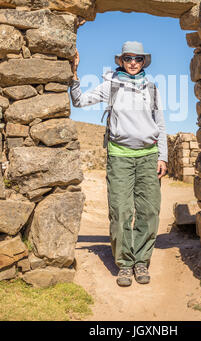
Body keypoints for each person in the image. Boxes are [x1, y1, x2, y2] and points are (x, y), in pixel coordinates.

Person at [70, 41, 168, 287]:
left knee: (149, 212)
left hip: (148, 156)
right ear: (121, 61)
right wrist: (73, 76)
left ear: (144, 61)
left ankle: (141, 260)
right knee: (121, 211)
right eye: (128, 58)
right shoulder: (111, 85)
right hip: (120, 157)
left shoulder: (153, 88)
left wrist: (163, 156)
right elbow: (79, 101)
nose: (133, 62)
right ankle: (125, 264)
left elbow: (161, 125)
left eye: (137, 58)